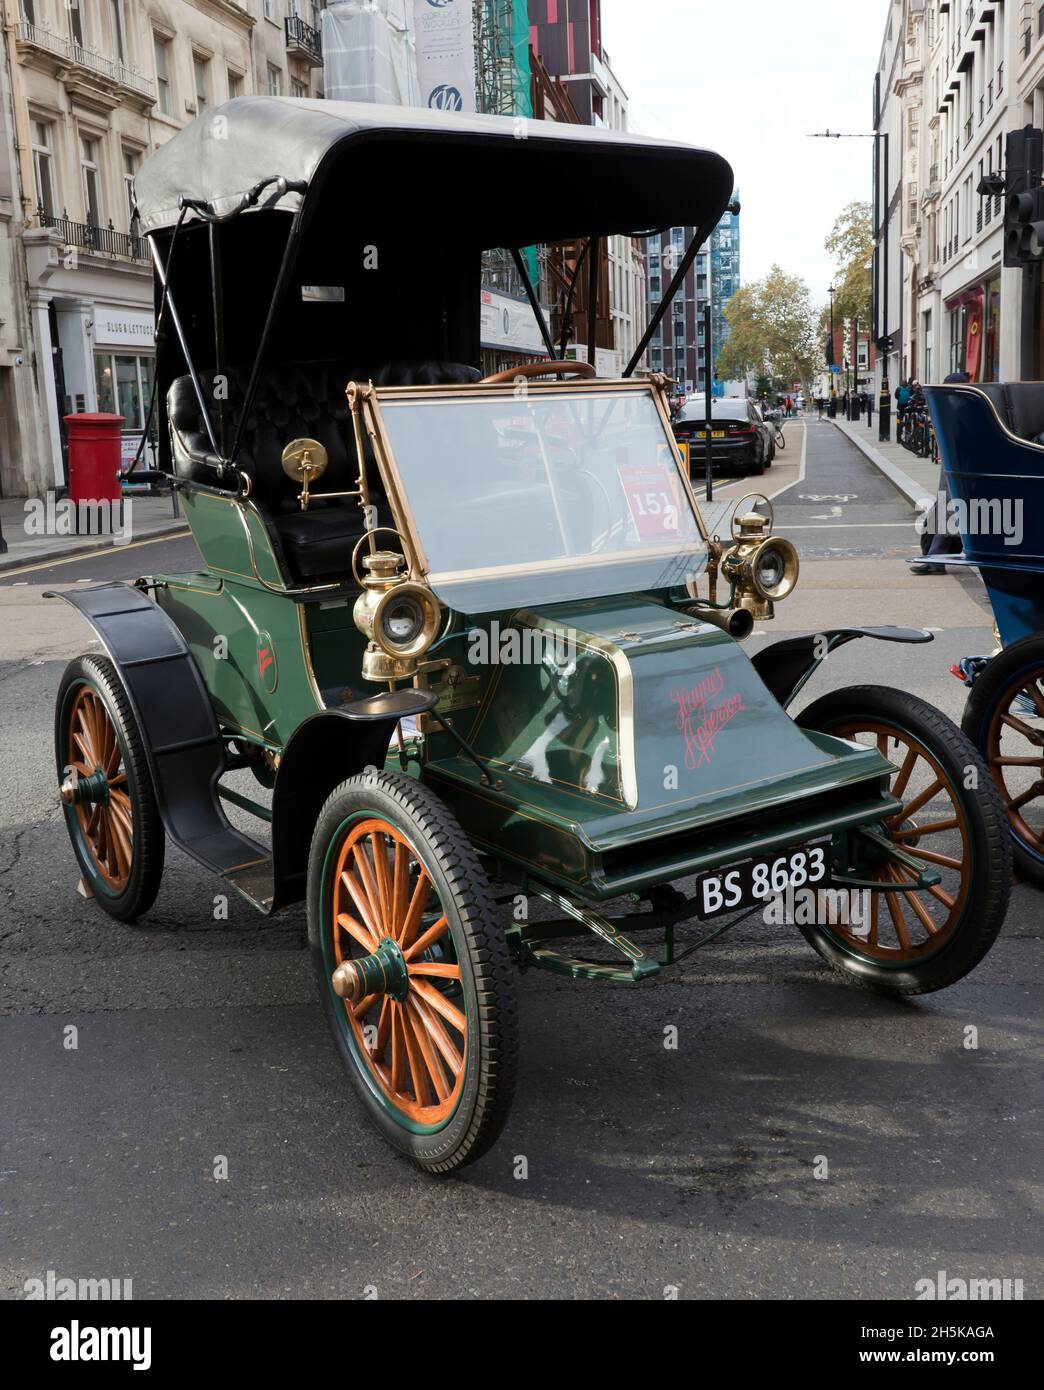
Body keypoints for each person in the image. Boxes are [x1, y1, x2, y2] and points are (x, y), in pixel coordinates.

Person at [909, 370, 967, 574]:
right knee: (948, 515)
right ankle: (935, 558)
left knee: (954, 516)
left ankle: (936, 559)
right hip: (954, 472)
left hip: (962, 472)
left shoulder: (966, 409)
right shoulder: (955, 408)